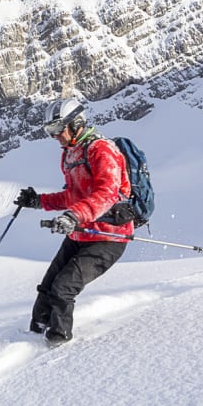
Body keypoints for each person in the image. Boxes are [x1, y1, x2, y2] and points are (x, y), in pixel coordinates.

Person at [14, 99, 133, 345]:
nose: (55, 136)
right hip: (80, 233)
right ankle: (33, 336)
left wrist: (73, 216)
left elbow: (107, 193)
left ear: (76, 123)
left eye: (58, 128)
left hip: (108, 237)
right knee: (47, 288)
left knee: (63, 288)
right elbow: (73, 195)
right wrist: (38, 201)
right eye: (50, 130)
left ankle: (56, 344)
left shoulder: (102, 150)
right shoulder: (70, 154)